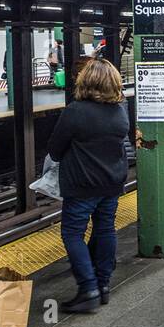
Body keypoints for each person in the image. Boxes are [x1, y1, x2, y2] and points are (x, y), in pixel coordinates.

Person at [46, 58, 129, 313]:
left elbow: (55, 150)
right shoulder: (120, 111)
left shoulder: (76, 111)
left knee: (72, 233)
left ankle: (88, 287)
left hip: (82, 185)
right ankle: (103, 286)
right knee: (105, 229)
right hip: (112, 182)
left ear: (86, 81)